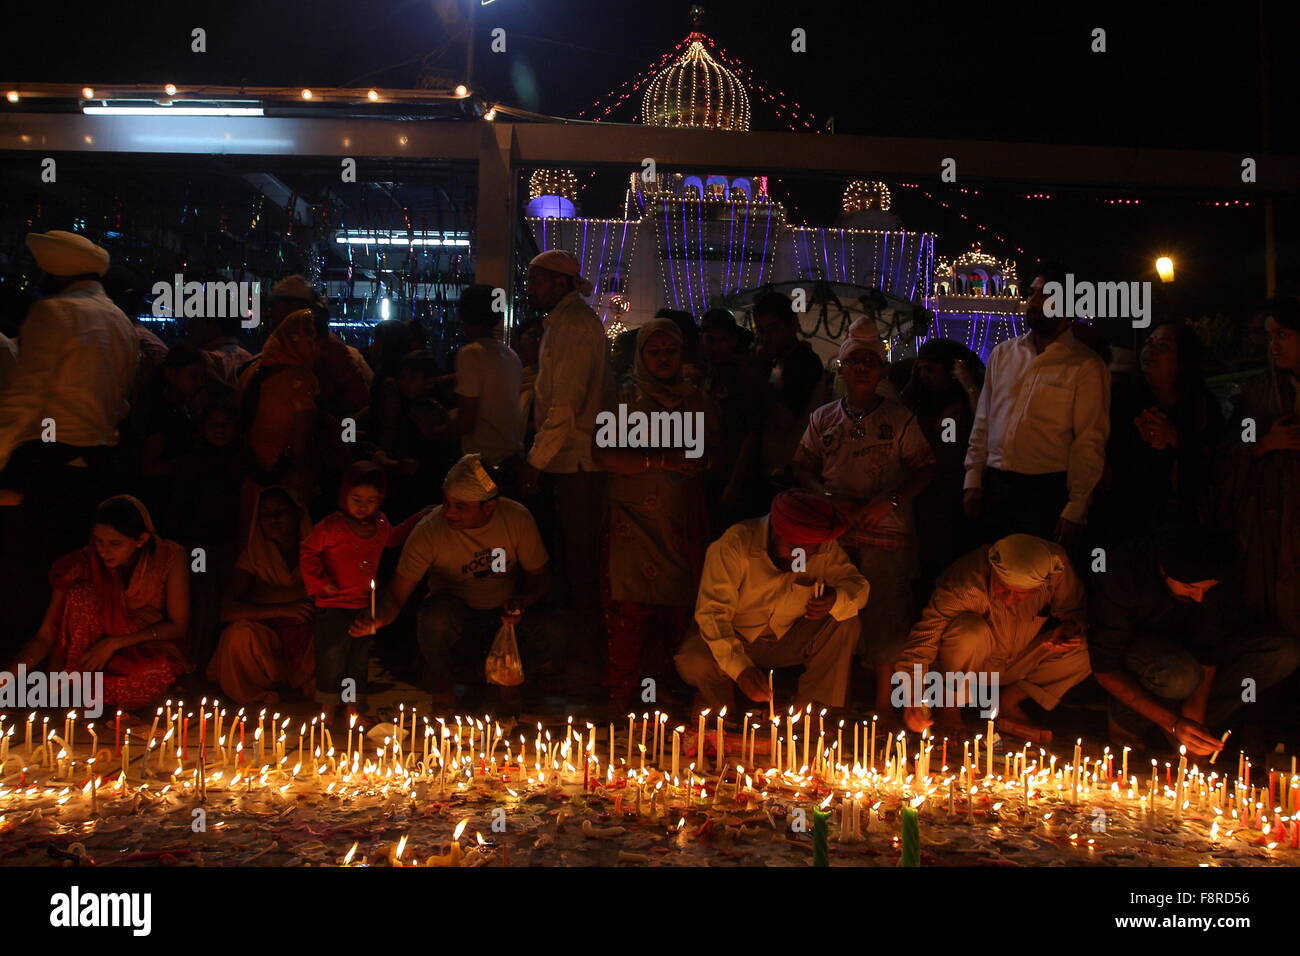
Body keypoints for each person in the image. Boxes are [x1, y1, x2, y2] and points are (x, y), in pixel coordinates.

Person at [0, 231, 139, 651]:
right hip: (99, 467)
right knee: (80, 573)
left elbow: (24, 398)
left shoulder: (54, 312)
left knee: (29, 573)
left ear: (53, 275)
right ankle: (68, 664)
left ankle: (15, 669)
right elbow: (121, 405)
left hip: (47, 465)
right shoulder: (120, 321)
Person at [793, 318, 935, 713]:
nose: (862, 368)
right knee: (830, 608)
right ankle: (831, 696)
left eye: (871, 361)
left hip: (885, 528)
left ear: (883, 370)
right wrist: (825, 496)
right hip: (833, 530)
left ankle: (884, 704)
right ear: (841, 367)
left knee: (886, 613)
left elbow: (924, 469)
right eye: (855, 360)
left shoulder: (900, 419)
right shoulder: (824, 418)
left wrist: (888, 502)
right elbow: (801, 464)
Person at [354, 454, 553, 713]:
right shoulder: (430, 531)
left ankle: (506, 684)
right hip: (457, 625)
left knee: (552, 631)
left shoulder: (516, 519)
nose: (450, 512)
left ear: (489, 507)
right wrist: (377, 618)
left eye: (460, 506)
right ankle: (444, 694)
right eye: (447, 503)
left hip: (504, 621)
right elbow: (396, 595)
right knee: (435, 618)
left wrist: (522, 602)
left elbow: (540, 576)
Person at [1089, 523, 1300, 755]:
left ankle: (1188, 735)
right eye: (1190, 587)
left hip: (1187, 657)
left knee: (1282, 653)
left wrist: (1191, 723)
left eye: (1206, 589)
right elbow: (1106, 668)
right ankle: (1130, 727)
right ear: (1163, 570)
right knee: (1181, 675)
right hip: (1145, 655)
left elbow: (1208, 649)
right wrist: (1173, 723)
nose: (1199, 598)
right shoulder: (1123, 573)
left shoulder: (1214, 566)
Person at [594, 318, 715, 712]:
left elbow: (710, 452)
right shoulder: (623, 398)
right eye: (654, 351)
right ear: (640, 356)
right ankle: (621, 695)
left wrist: (698, 463)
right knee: (630, 609)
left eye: (670, 351)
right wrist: (659, 460)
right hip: (632, 520)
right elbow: (604, 455)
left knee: (673, 609)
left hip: (679, 518)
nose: (663, 359)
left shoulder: (695, 398)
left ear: (682, 355)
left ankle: (660, 692)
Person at [674, 489, 869, 714]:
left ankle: (811, 712)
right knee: (694, 661)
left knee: (845, 622)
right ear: (777, 532)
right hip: (736, 637)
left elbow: (859, 587)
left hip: (785, 640)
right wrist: (741, 670)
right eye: (795, 550)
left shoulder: (822, 547)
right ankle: (721, 709)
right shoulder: (735, 544)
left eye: (810, 552)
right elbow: (713, 615)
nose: (801, 559)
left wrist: (836, 598)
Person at [963, 267, 1110, 549]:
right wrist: (973, 477)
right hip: (995, 485)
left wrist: (1077, 506)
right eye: (1032, 293)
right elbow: (984, 420)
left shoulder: (1086, 365)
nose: (1033, 301)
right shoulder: (1003, 353)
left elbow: (1089, 440)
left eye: (1046, 295)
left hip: (1046, 491)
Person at [519, 250, 612, 693]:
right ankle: (577, 660)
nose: (530, 288)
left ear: (559, 283)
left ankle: (587, 665)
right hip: (569, 460)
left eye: (537, 281)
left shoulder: (573, 326)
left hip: (576, 462)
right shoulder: (565, 321)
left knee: (579, 566)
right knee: (573, 563)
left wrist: (535, 461)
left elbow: (564, 407)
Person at [895, 534, 1090, 742]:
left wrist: (1068, 628)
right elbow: (923, 640)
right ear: (992, 570)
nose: (1009, 599)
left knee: (1083, 647)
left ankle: (1008, 703)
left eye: (1021, 594)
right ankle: (949, 708)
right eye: (1003, 588)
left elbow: (1075, 608)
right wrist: (913, 697)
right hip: (972, 665)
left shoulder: (1056, 565)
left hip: (1017, 662)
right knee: (970, 631)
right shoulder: (965, 583)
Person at [9, 495, 189, 710]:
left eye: (115, 543)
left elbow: (178, 626)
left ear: (141, 539)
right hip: (88, 660)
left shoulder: (168, 557)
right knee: (80, 594)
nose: (104, 550)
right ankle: (71, 687)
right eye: (98, 541)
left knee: (146, 675)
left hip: (142, 650)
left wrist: (115, 643)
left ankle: (73, 692)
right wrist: (11, 675)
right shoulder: (80, 565)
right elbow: (46, 634)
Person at [300, 462, 416, 722]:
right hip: (333, 605)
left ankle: (353, 706)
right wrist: (320, 582)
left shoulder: (380, 524)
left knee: (359, 658)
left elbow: (393, 539)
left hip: (365, 605)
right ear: (343, 496)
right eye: (356, 499)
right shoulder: (332, 527)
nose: (363, 506)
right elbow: (308, 550)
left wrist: (420, 518)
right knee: (332, 658)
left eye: (371, 500)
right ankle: (329, 707)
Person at [1096, 321, 1226, 545]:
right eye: (1149, 342)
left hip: (1183, 521)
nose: (1150, 349)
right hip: (1126, 518)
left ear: (1183, 359)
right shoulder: (1120, 397)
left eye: (1163, 346)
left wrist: (1175, 438)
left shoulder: (1201, 405)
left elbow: (1217, 457)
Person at [1217, 297, 1300, 637]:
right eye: (1269, 337)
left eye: (1282, 335)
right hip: (1273, 523)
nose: (1273, 345)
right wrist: (1265, 444)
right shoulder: (1258, 393)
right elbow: (1233, 448)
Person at [208, 487, 316, 705]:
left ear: (297, 514)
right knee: (238, 635)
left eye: (281, 511)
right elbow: (226, 610)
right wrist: (284, 608)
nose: (273, 519)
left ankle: (319, 690)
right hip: (271, 640)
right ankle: (257, 694)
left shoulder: (320, 550)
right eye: (266, 514)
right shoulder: (253, 555)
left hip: (312, 637)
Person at [899, 337, 985, 584]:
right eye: (921, 368)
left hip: (952, 490)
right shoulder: (915, 398)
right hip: (920, 490)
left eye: (931, 369)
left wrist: (969, 386)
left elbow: (982, 426)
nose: (924, 375)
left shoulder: (960, 406)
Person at [238, 309, 320, 530]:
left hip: (250, 474)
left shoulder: (253, 368)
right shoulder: (301, 381)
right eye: (310, 337)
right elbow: (300, 446)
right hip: (283, 479)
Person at [445, 284, 524, 494]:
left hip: (483, 464)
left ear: (464, 315)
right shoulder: (511, 356)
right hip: (512, 460)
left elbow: (466, 422)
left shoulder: (470, 355)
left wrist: (434, 432)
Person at [750, 291, 827, 503]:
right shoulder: (781, 360)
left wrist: (759, 374)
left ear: (792, 324)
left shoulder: (802, 361)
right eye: (761, 331)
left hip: (790, 474)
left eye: (773, 328)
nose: (766, 338)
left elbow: (782, 421)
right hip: (777, 469)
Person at [699, 308, 758, 531]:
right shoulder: (703, 373)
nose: (717, 347)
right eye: (710, 339)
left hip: (732, 474)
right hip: (705, 472)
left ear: (733, 340)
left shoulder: (742, 376)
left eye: (723, 340)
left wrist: (733, 486)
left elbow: (750, 435)